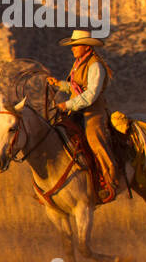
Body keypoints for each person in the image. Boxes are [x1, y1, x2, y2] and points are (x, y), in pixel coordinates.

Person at [49, 29, 119, 203]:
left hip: (93, 112)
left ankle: (110, 181)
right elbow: (76, 88)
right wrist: (59, 85)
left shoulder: (95, 65)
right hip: (77, 110)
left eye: (75, 45)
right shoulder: (79, 63)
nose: (72, 49)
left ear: (86, 47)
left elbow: (91, 94)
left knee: (94, 138)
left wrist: (66, 105)